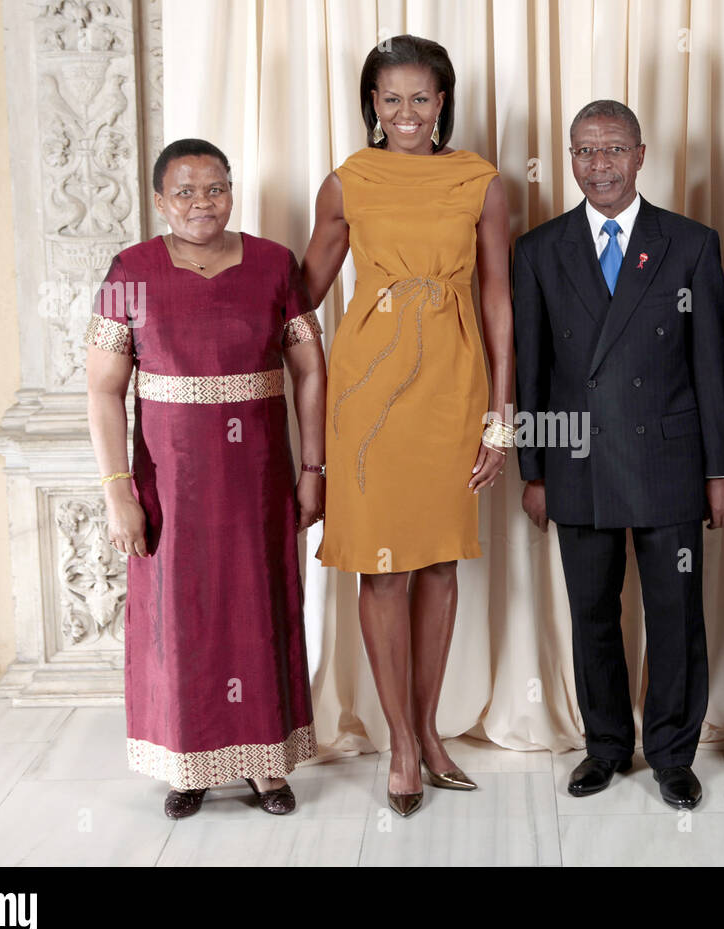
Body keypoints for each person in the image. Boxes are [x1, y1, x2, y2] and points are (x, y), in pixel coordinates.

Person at [301, 36, 513, 818]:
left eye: (421, 98)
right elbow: (302, 289)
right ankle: (398, 741)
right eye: (390, 99)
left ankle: (428, 731)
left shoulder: (482, 181)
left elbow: (498, 299)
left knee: (439, 565)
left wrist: (503, 415)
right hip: (370, 389)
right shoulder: (347, 182)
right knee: (383, 569)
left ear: (444, 102)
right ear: (372, 106)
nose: (406, 113)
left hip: (454, 387)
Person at [85, 138, 325, 819]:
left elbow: (311, 369)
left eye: (214, 188)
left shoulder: (276, 265)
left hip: (257, 485)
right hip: (169, 491)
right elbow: (103, 391)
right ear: (160, 201)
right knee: (180, 620)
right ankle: (184, 763)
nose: (201, 203)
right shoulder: (130, 271)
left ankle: (267, 763)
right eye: (184, 192)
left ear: (232, 190)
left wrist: (314, 467)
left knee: (260, 608)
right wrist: (117, 492)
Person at [513, 100, 724, 811]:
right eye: (584, 151)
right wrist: (535, 470)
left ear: (641, 155)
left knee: (675, 615)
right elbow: (533, 372)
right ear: (569, 158)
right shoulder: (539, 250)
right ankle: (606, 748)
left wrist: (718, 471)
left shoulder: (691, 244)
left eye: (612, 150)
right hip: (577, 464)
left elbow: (713, 368)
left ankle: (673, 753)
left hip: (670, 464)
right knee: (592, 614)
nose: (598, 165)